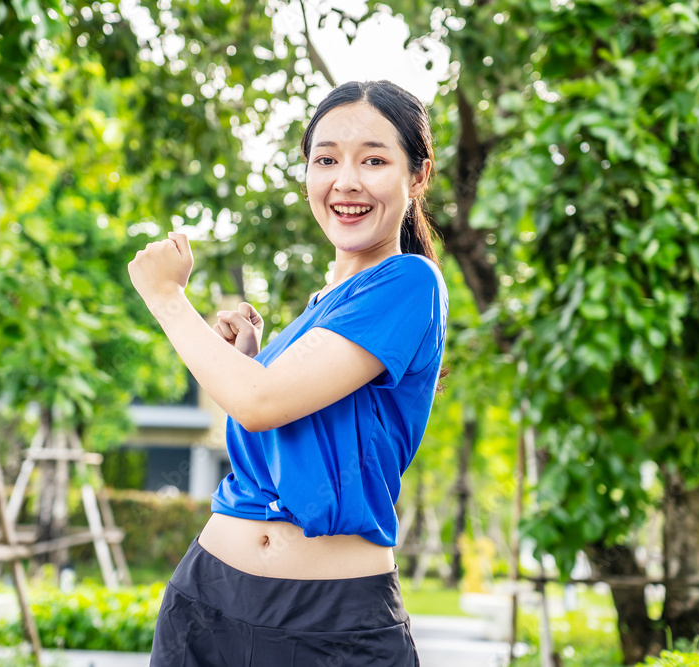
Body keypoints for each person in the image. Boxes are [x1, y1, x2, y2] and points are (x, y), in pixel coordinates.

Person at [128, 79, 448, 666]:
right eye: (326, 159)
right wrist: (249, 358)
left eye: (374, 160)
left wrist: (167, 298)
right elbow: (272, 419)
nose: (346, 181)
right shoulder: (320, 307)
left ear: (418, 174)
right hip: (208, 598)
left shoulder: (409, 283)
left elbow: (260, 403)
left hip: (335, 624)